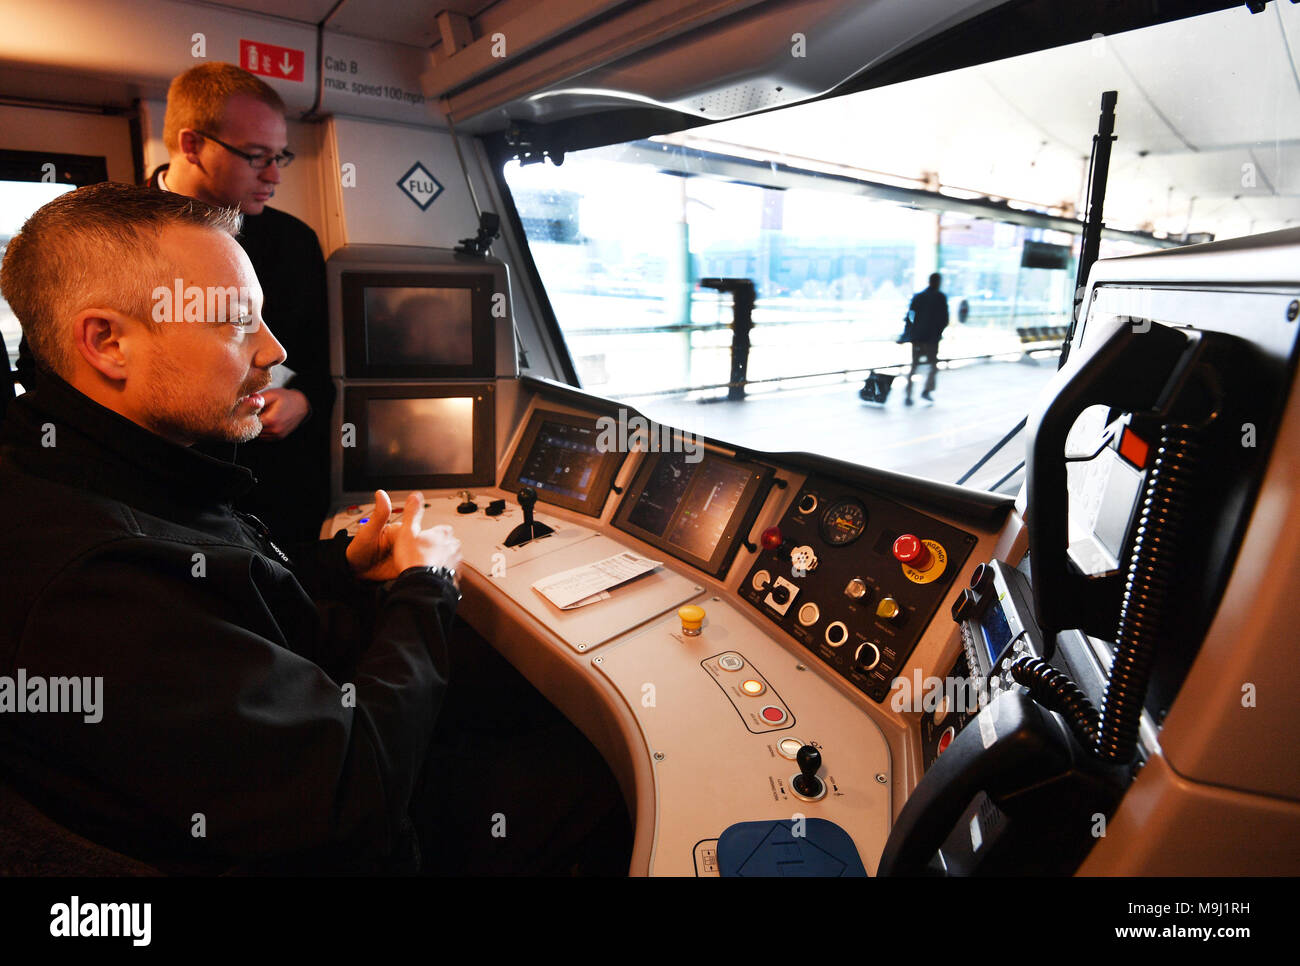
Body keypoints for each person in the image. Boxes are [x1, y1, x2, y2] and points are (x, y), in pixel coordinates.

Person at [0, 183, 462, 873]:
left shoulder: (111, 468)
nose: (273, 351)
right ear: (108, 343)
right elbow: (351, 789)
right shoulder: (91, 586)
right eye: (236, 322)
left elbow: (212, 582)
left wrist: (341, 564)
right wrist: (425, 587)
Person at [152, 62, 333, 545]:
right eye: (256, 156)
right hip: (158, 495)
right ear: (192, 145)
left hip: (276, 492)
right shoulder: (106, 233)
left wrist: (305, 400)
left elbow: (322, 359)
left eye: (280, 156)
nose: (274, 175)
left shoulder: (295, 242)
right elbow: (50, 365)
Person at [900, 272, 949, 405]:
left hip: (918, 338)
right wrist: (937, 333)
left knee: (914, 367)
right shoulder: (940, 298)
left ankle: (908, 395)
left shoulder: (919, 297)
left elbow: (910, 317)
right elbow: (944, 319)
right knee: (932, 366)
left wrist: (907, 334)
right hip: (931, 339)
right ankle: (926, 390)